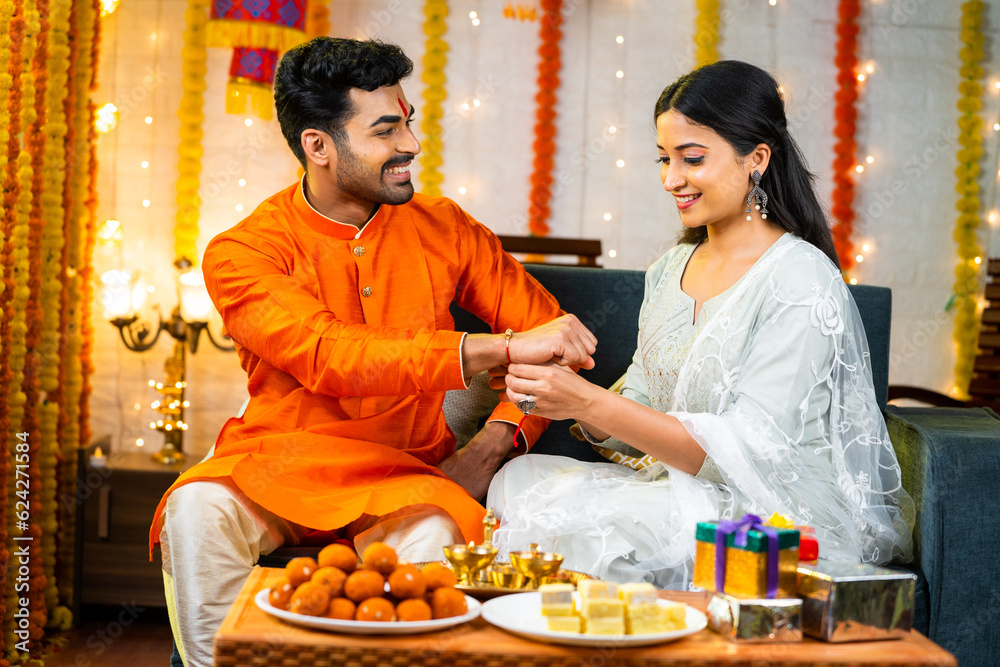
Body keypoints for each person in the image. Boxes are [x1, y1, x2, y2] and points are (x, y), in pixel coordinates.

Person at [149, 37, 597, 667]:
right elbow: (331, 355)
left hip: (404, 472)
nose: (410, 144)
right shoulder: (244, 252)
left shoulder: (445, 227)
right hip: (275, 464)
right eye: (387, 130)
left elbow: (556, 336)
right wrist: (496, 346)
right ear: (319, 146)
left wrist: (496, 443)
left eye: (408, 121)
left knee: (437, 546)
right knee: (196, 511)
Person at [487, 60, 914, 588]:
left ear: (756, 158)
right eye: (664, 159)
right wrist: (569, 392)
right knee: (518, 481)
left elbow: (750, 452)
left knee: (593, 527)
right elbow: (641, 403)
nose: (671, 180)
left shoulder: (800, 280)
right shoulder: (670, 269)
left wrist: (588, 403)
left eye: (691, 159)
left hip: (767, 511)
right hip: (675, 487)